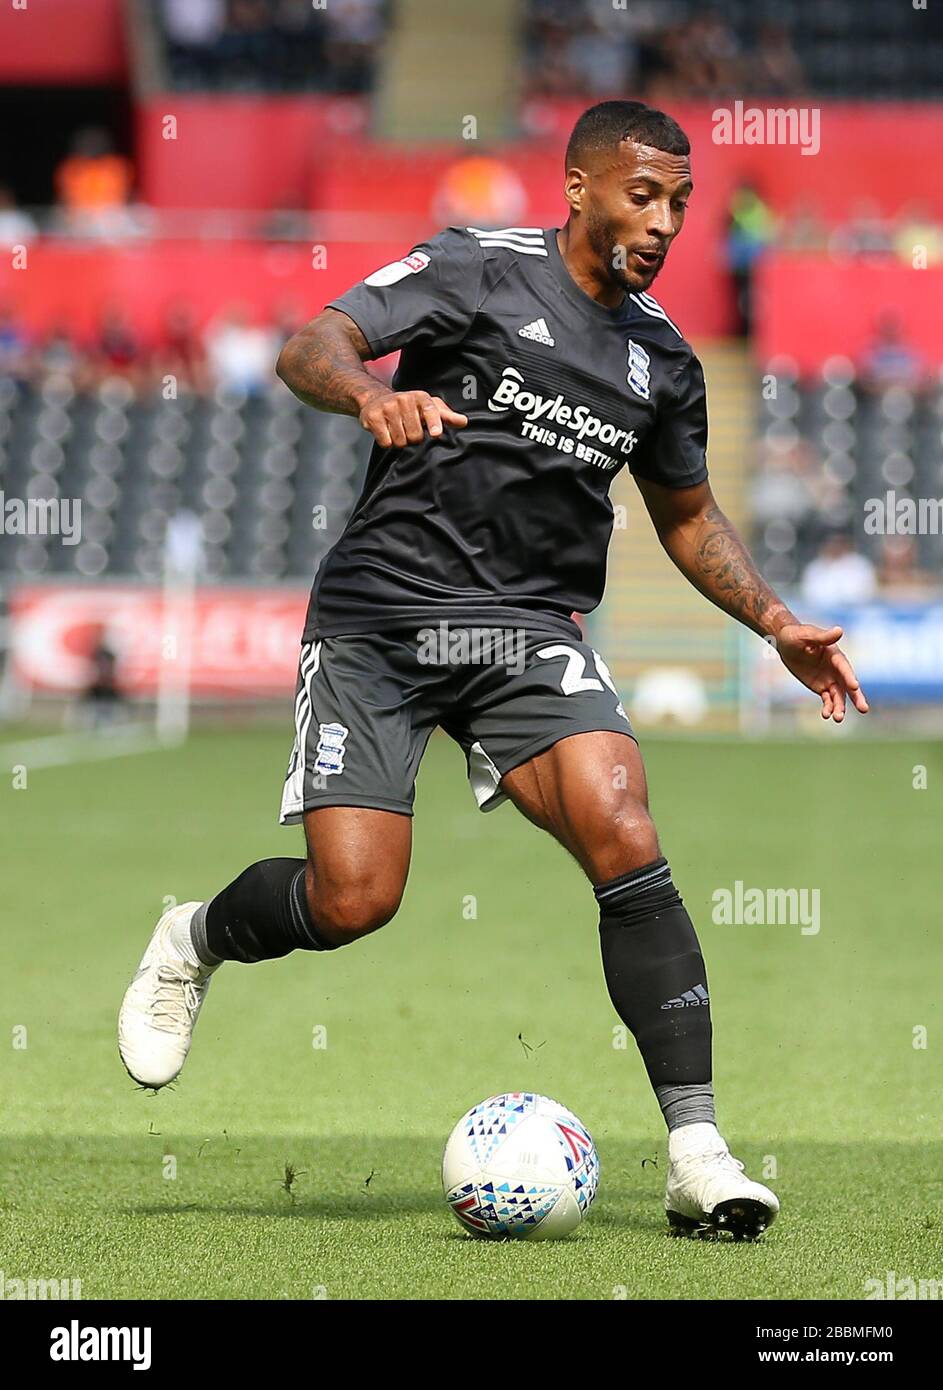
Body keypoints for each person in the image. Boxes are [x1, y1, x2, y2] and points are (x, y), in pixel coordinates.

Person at [118, 101, 868, 1241]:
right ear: (578, 189)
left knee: (622, 819)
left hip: (522, 628)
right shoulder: (473, 269)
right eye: (641, 195)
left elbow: (687, 514)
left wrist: (772, 620)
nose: (662, 221)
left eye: (679, 201)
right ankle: (193, 938)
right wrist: (371, 393)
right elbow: (307, 344)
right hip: (380, 620)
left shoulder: (660, 360)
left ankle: (697, 1152)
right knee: (354, 897)